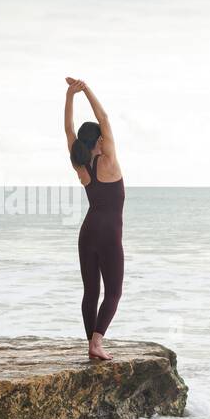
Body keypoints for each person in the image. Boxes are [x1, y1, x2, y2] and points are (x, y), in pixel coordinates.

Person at [63, 77, 125, 361]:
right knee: (113, 291)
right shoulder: (108, 159)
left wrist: (69, 96)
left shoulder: (80, 163)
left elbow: (68, 129)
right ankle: (97, 341)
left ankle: (91, 343)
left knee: (91, 291)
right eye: (101, 135)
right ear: (99, 139)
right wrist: (85, 89)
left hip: (88, 233)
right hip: (109, 234)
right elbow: (105, 116)